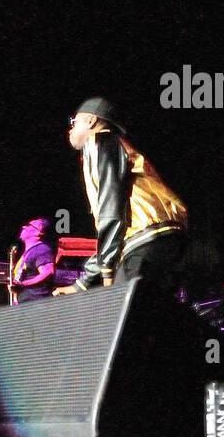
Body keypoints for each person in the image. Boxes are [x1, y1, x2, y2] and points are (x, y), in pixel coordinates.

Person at [56, 98, 188, 297]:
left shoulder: (99, 141)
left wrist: (107, 268)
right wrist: (82, 283)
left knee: (123, 316)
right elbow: (116, 234)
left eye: (74, 122)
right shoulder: (121, 147)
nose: (70, 129)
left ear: (91, 120)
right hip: (164, 240)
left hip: (145, 241)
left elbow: (111, 209)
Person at [12, 217, 57, 301]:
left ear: (38, 232)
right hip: (25, 301)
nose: (24, 227)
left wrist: (22, 284)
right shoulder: (29, 252)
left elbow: (47, 272)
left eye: (29, 225)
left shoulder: (41, 250)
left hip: (35, 302)